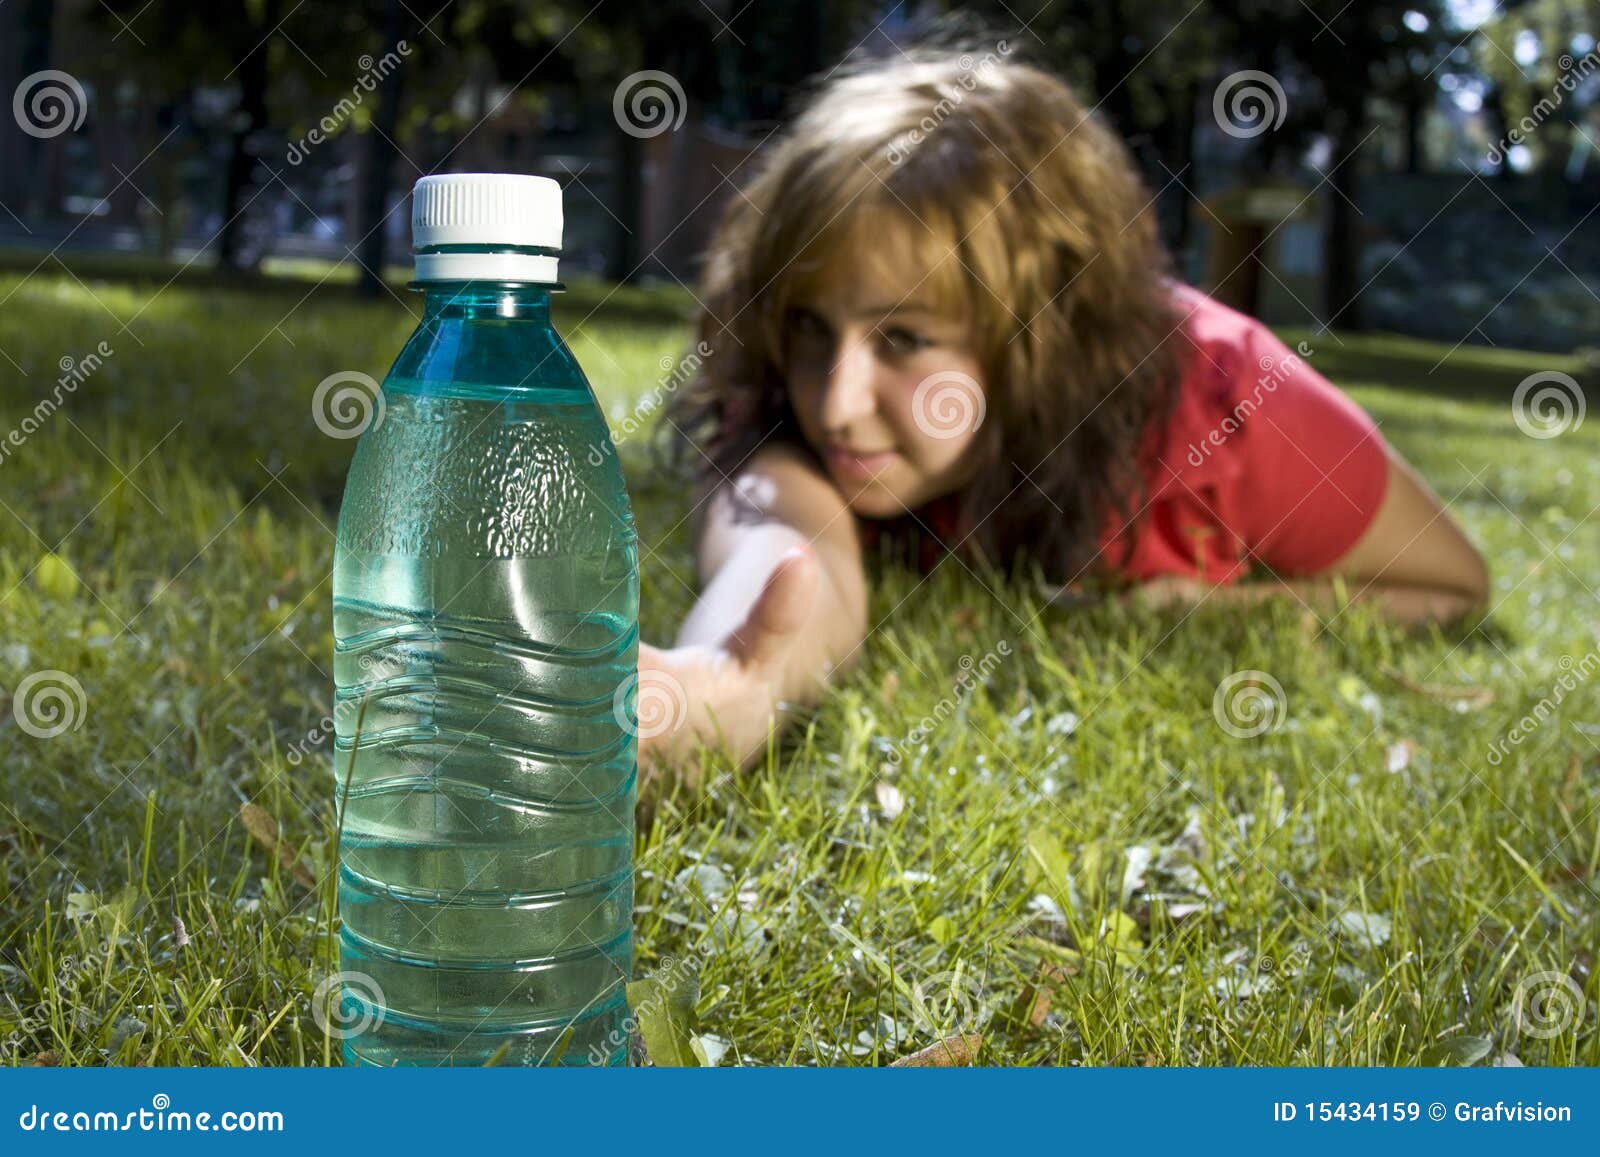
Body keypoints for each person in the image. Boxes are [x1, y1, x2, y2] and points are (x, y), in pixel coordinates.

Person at [636, 48, 1488, 789]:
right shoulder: (793, 409)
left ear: (1044, 331)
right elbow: (788, 566)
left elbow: (1450, 584)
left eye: (905, 337)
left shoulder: (1235, 404)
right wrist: (720, 693)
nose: (835, 401)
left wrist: (1233, 612)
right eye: (814, 327)